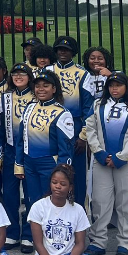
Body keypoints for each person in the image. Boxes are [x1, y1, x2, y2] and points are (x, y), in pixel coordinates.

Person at [84, 72, 128, 255]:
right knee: (100, 202)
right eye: (111, 85)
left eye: (119, 85)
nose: (114, 88)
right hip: (101, 161)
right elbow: (90, 129)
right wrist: (99, 153)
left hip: (126, 164)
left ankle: (124, 242)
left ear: (126, 87)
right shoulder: (97, 106)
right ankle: (97, 241)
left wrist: (121, 157)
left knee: (125, 203)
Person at [16, 71, 74, 229]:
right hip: (29, 163)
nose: (41, 89)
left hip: (50, 165)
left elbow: (66, 148)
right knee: (32, 202)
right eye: (38, 86)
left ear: (54, 89)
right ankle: (32, 238)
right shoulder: (29, 108)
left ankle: (54, 237)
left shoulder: (62, 113)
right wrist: (19, 164)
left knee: (52, 202)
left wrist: (62, 172)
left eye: (46, 86)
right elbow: (21, 139)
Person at [49, 36, 95, 207]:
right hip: (50, 126)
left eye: (66, 49)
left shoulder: (82, 74)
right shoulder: (47, 70)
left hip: (75, 126)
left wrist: (83, 136)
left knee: (76, 173)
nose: (62, 52)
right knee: (53, 169)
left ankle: (79, 212)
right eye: (60, 48)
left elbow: (88, 108)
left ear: (73, 53)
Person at [0, 63, 36, 252]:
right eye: (15, 74)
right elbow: (0, 127)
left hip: (31, 151)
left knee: (30, 194)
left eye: (22, 73)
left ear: (29, 76)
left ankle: (29, 235)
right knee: (10, 194)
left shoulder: (36, 97)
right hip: (11, 150)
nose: (18, 77)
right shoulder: (5, 98)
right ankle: (12, 233)